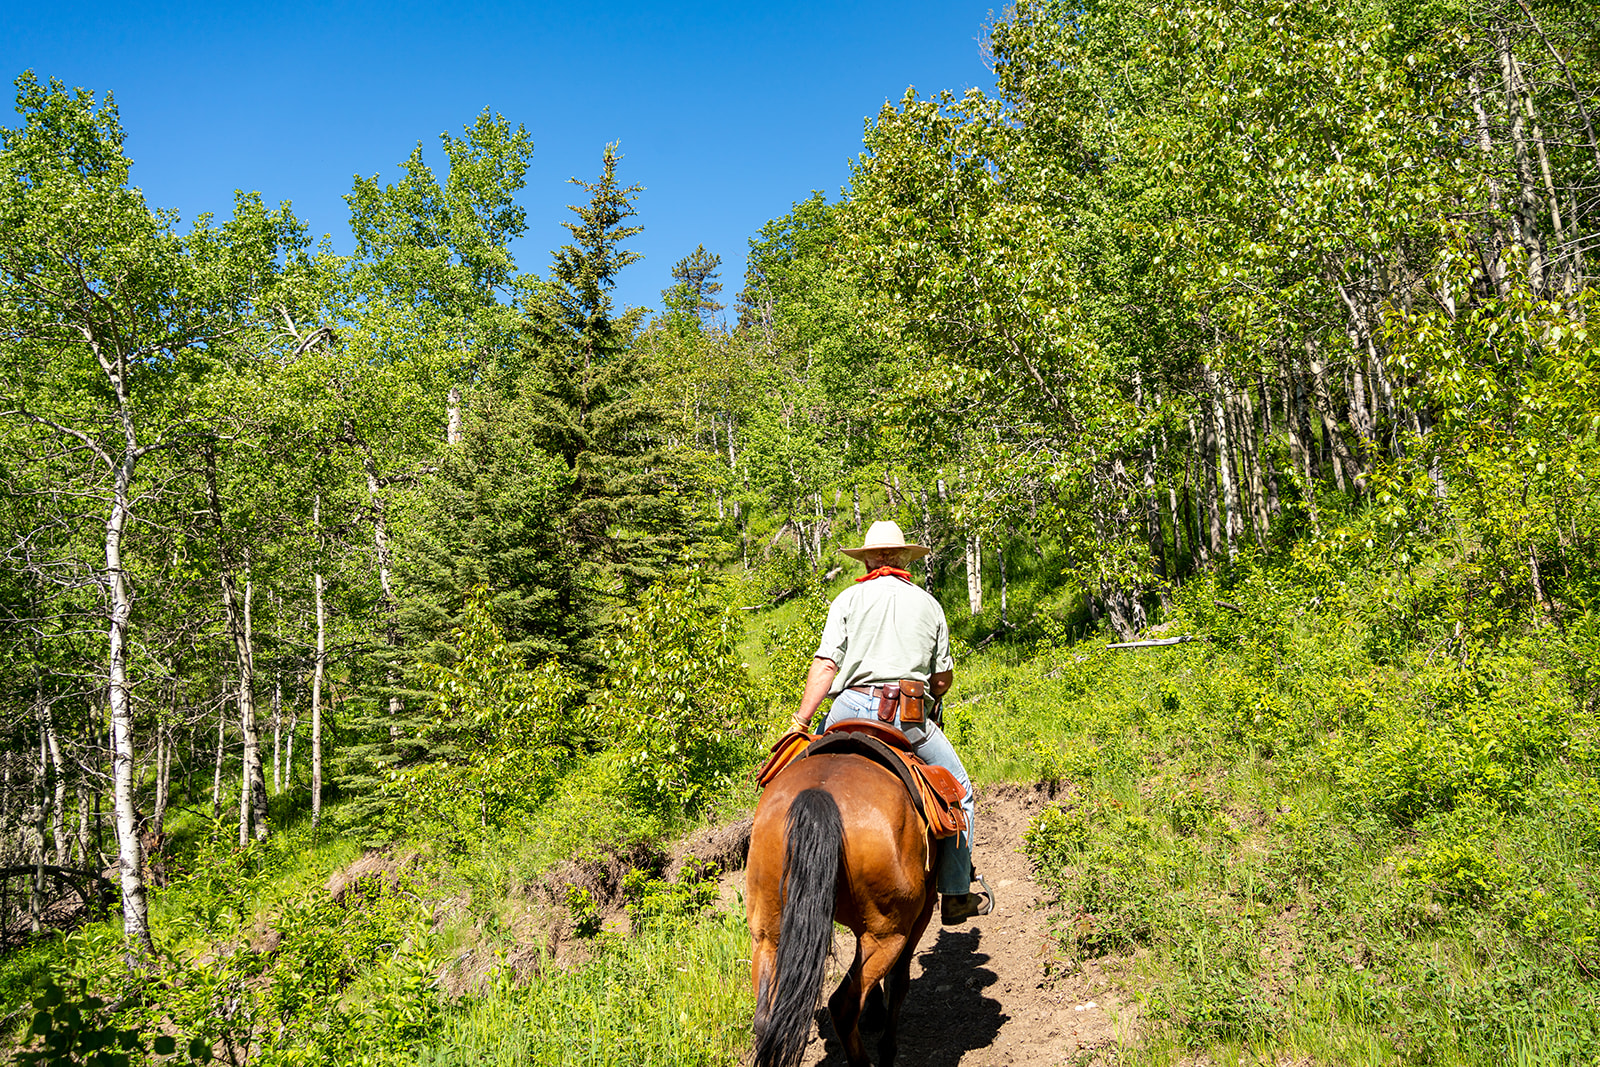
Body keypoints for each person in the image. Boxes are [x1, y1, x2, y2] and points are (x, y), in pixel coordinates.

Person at [792, 520, 993, 924]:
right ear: (902, 558)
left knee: (801, 776)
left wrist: (800, 720)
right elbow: (940, 679)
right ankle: (954, 893)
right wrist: (931, 690)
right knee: (960, 791)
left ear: (867, 560)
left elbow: (826, 664)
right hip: (907, 714)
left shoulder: (847, 599)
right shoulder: (928, 605)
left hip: (847, 708)